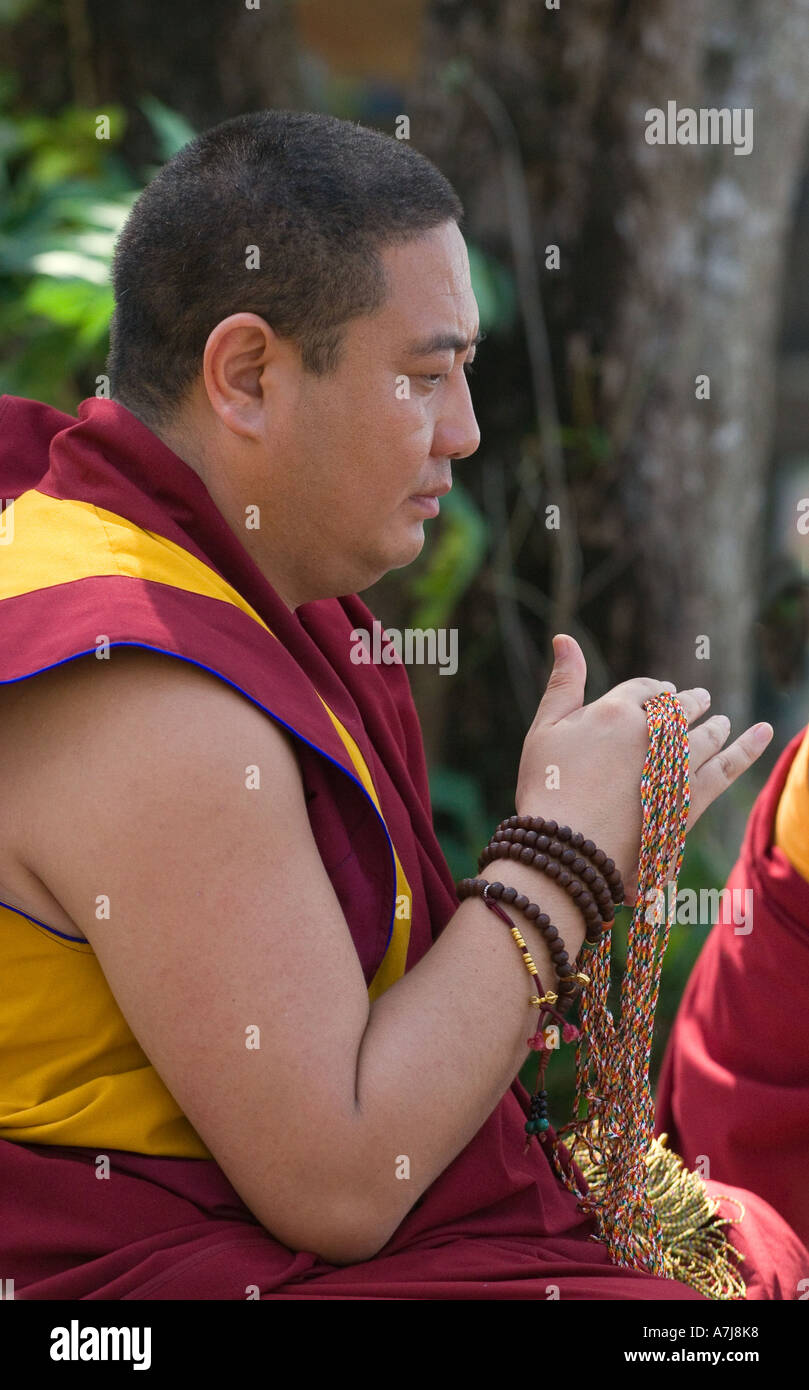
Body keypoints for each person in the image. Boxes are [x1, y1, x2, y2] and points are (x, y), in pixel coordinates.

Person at [0, 109, 805, 1301]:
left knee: (751, 1254)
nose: (466, 433)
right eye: (423, 378)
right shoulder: (140, 677)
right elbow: (341, 1178)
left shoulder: (239, 587)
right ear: (247, 376)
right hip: (144, 1284)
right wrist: (563, 854)